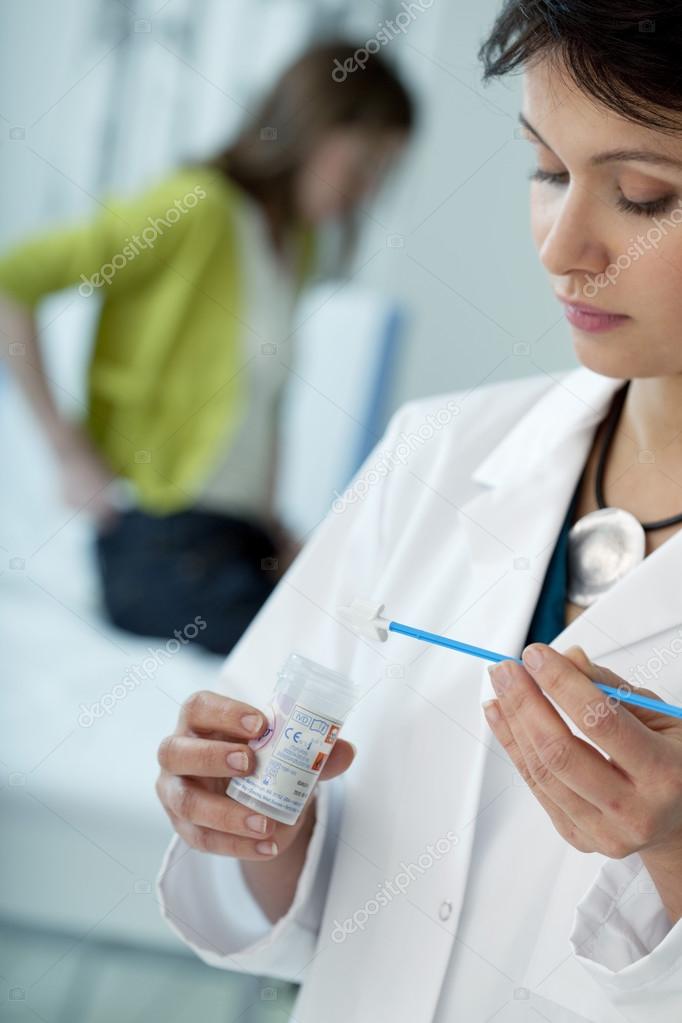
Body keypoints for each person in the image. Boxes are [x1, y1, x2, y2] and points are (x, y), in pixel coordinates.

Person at [154, 3, 682, 1020]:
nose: (562, 245)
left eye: (642, 193)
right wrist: (254, 826)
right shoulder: (433, 457)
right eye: (545, 172)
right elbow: (285, 904)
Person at [0, 42, 413, 655]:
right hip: (160, 542)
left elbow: (259, 410)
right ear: (312, 128)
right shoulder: (195, 207)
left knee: (368, 626)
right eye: (361, 163)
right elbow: (14, 281)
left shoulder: (293, 248)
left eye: (382, 172)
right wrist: (67, 451)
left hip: (238, 535)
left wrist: (274, 528)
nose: (365, 189)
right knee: (306, 648)